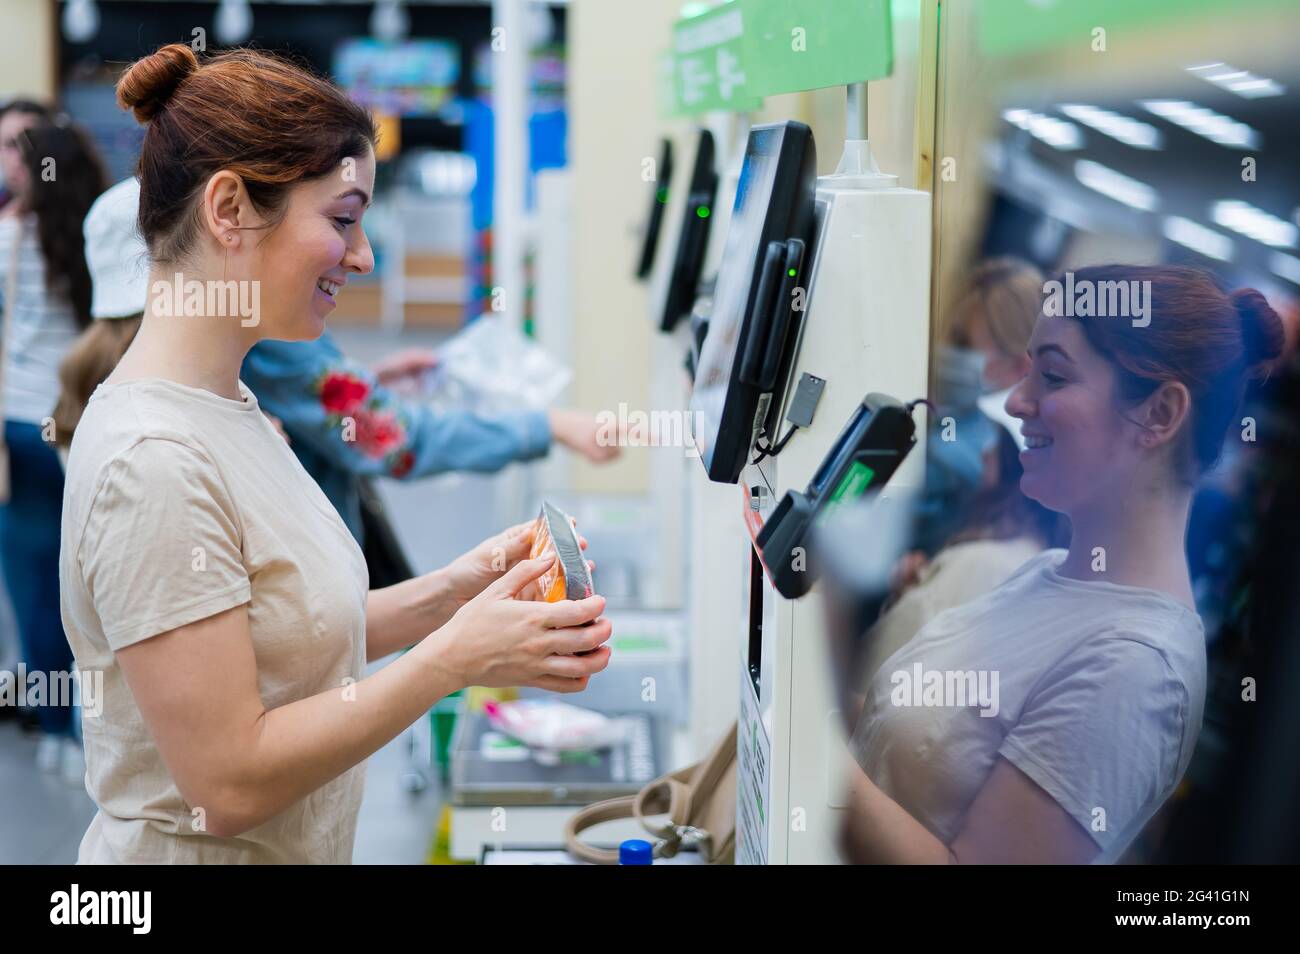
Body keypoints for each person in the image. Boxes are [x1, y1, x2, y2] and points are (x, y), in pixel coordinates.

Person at [60, 43, 611, 864]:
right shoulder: (154, 461)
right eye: (344, 221)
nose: (364, 257)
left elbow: (295, 630)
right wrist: (453, 660)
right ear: (229, 209)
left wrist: (462, 590)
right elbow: (229, 781)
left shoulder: (231, 404)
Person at [841, 264, 1283, 864]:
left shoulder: (1135, 667)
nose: (1019, 401)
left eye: (1051, 375)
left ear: (1159, 414)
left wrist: (819, 753)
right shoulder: (1047, 571)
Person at [0, 107, 106, 780]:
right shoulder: (94, 237)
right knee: (91, 590)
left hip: (15, 429)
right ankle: (107, 728)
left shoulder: (6, 238)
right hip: (78, 428)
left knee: (33, 587)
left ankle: (59, 734)